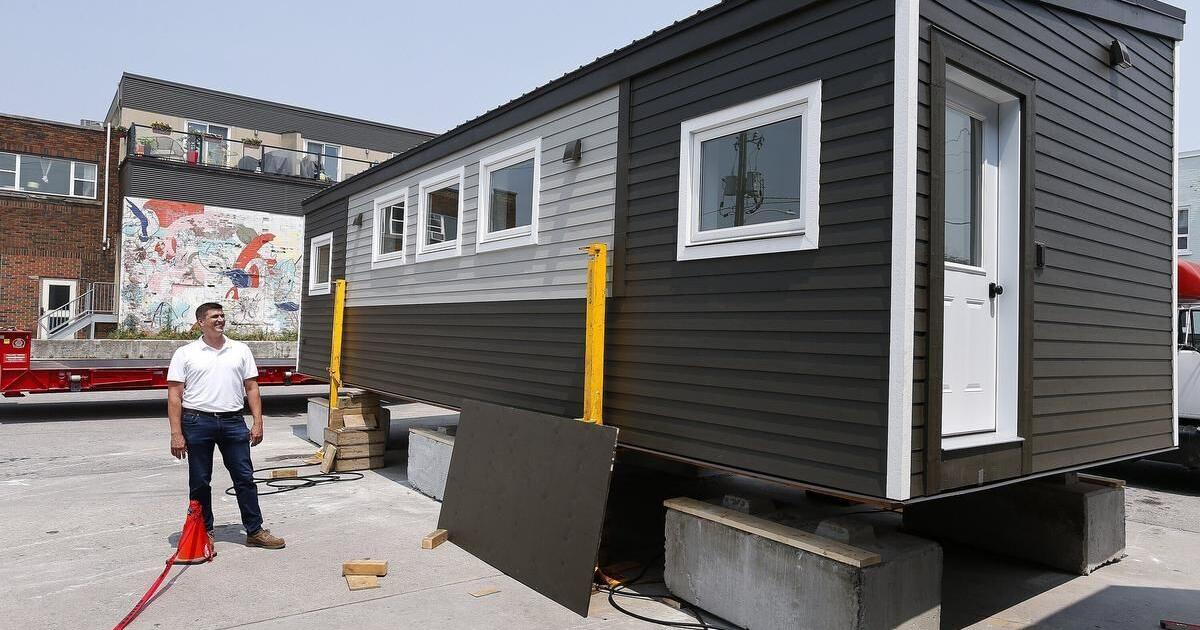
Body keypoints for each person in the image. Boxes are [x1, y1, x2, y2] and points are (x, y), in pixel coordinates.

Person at [166, 302, 285, 550]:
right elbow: (175, 396)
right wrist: (176, 433)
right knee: (200, 481)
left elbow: (252, 388)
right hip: (197, 421)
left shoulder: (240, 350)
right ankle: (204, 532)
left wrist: (258, 421)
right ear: (201, 322)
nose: (220, 320)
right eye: (214, 316)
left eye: (222, 315)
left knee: (244, 478)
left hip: (233, 422)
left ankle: (254, 530)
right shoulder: (185, 353)